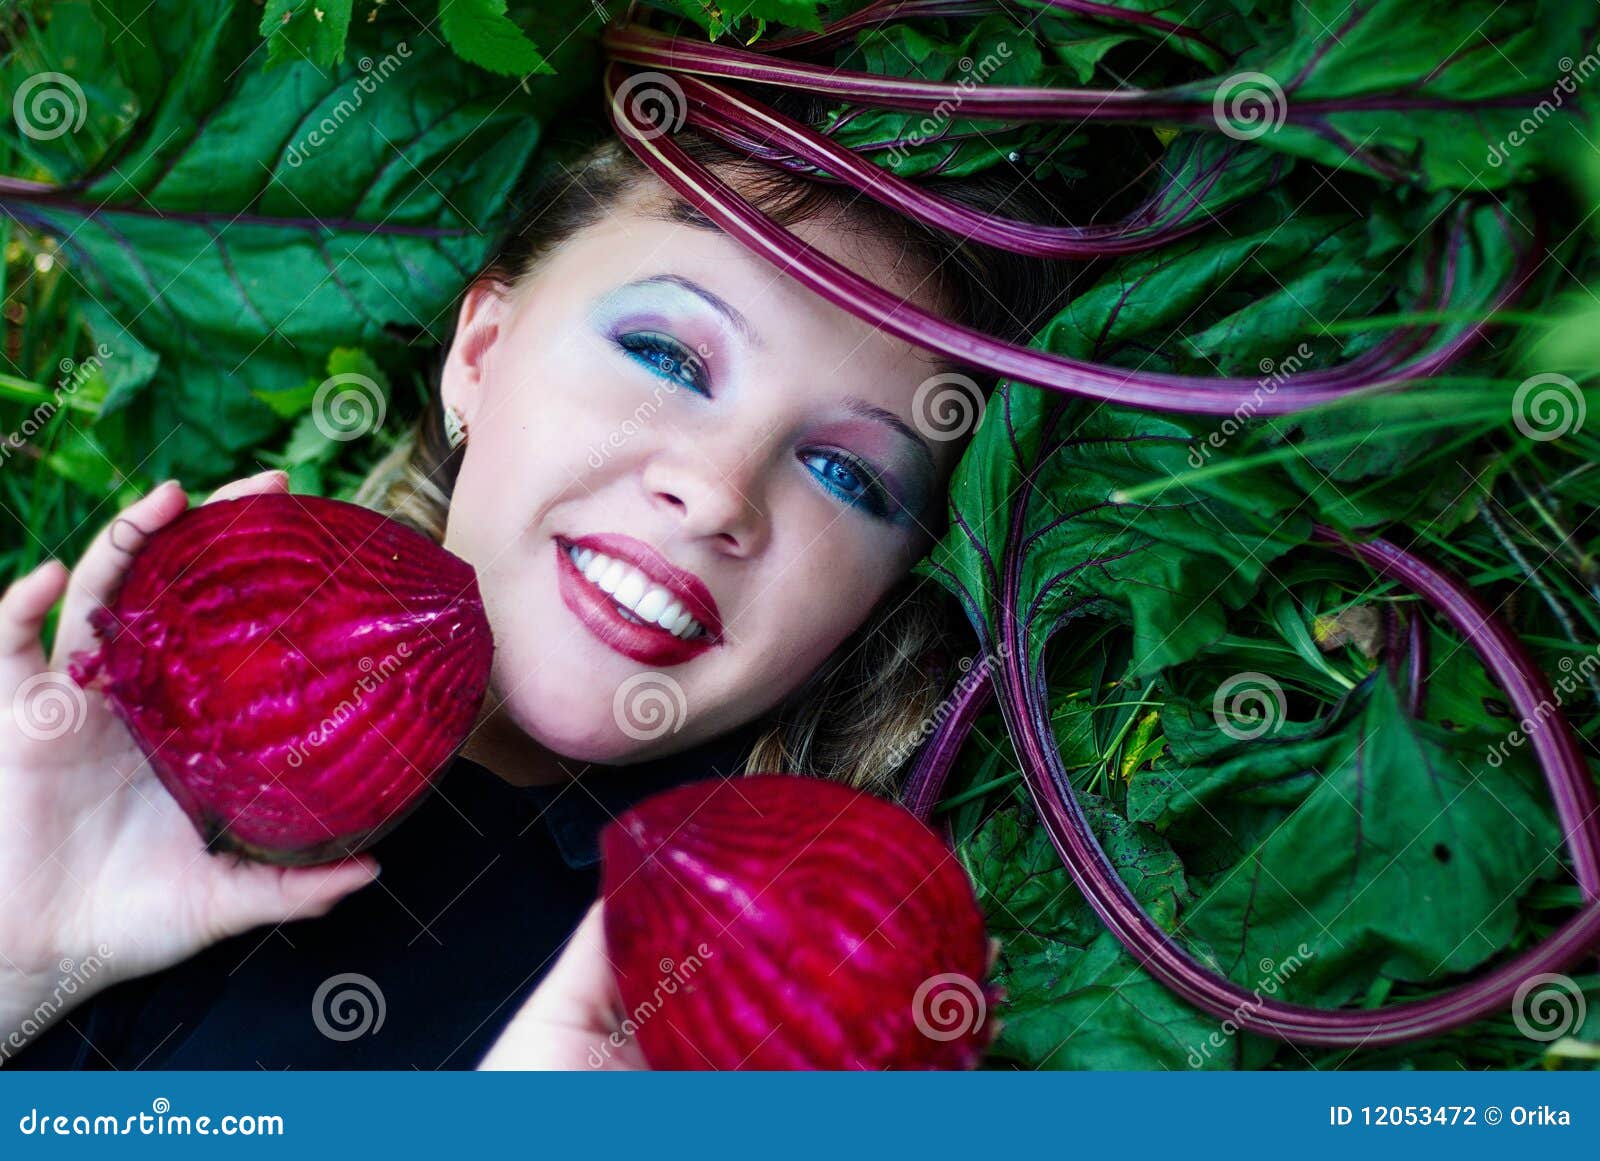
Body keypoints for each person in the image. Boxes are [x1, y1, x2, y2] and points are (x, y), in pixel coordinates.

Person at [0, 108, 1068, 1069]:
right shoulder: (117, 771)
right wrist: (28, 952)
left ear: (883, 594)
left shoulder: (758, 1028)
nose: (713, 492)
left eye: (847, 475)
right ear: (481, 349)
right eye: (665, 356)